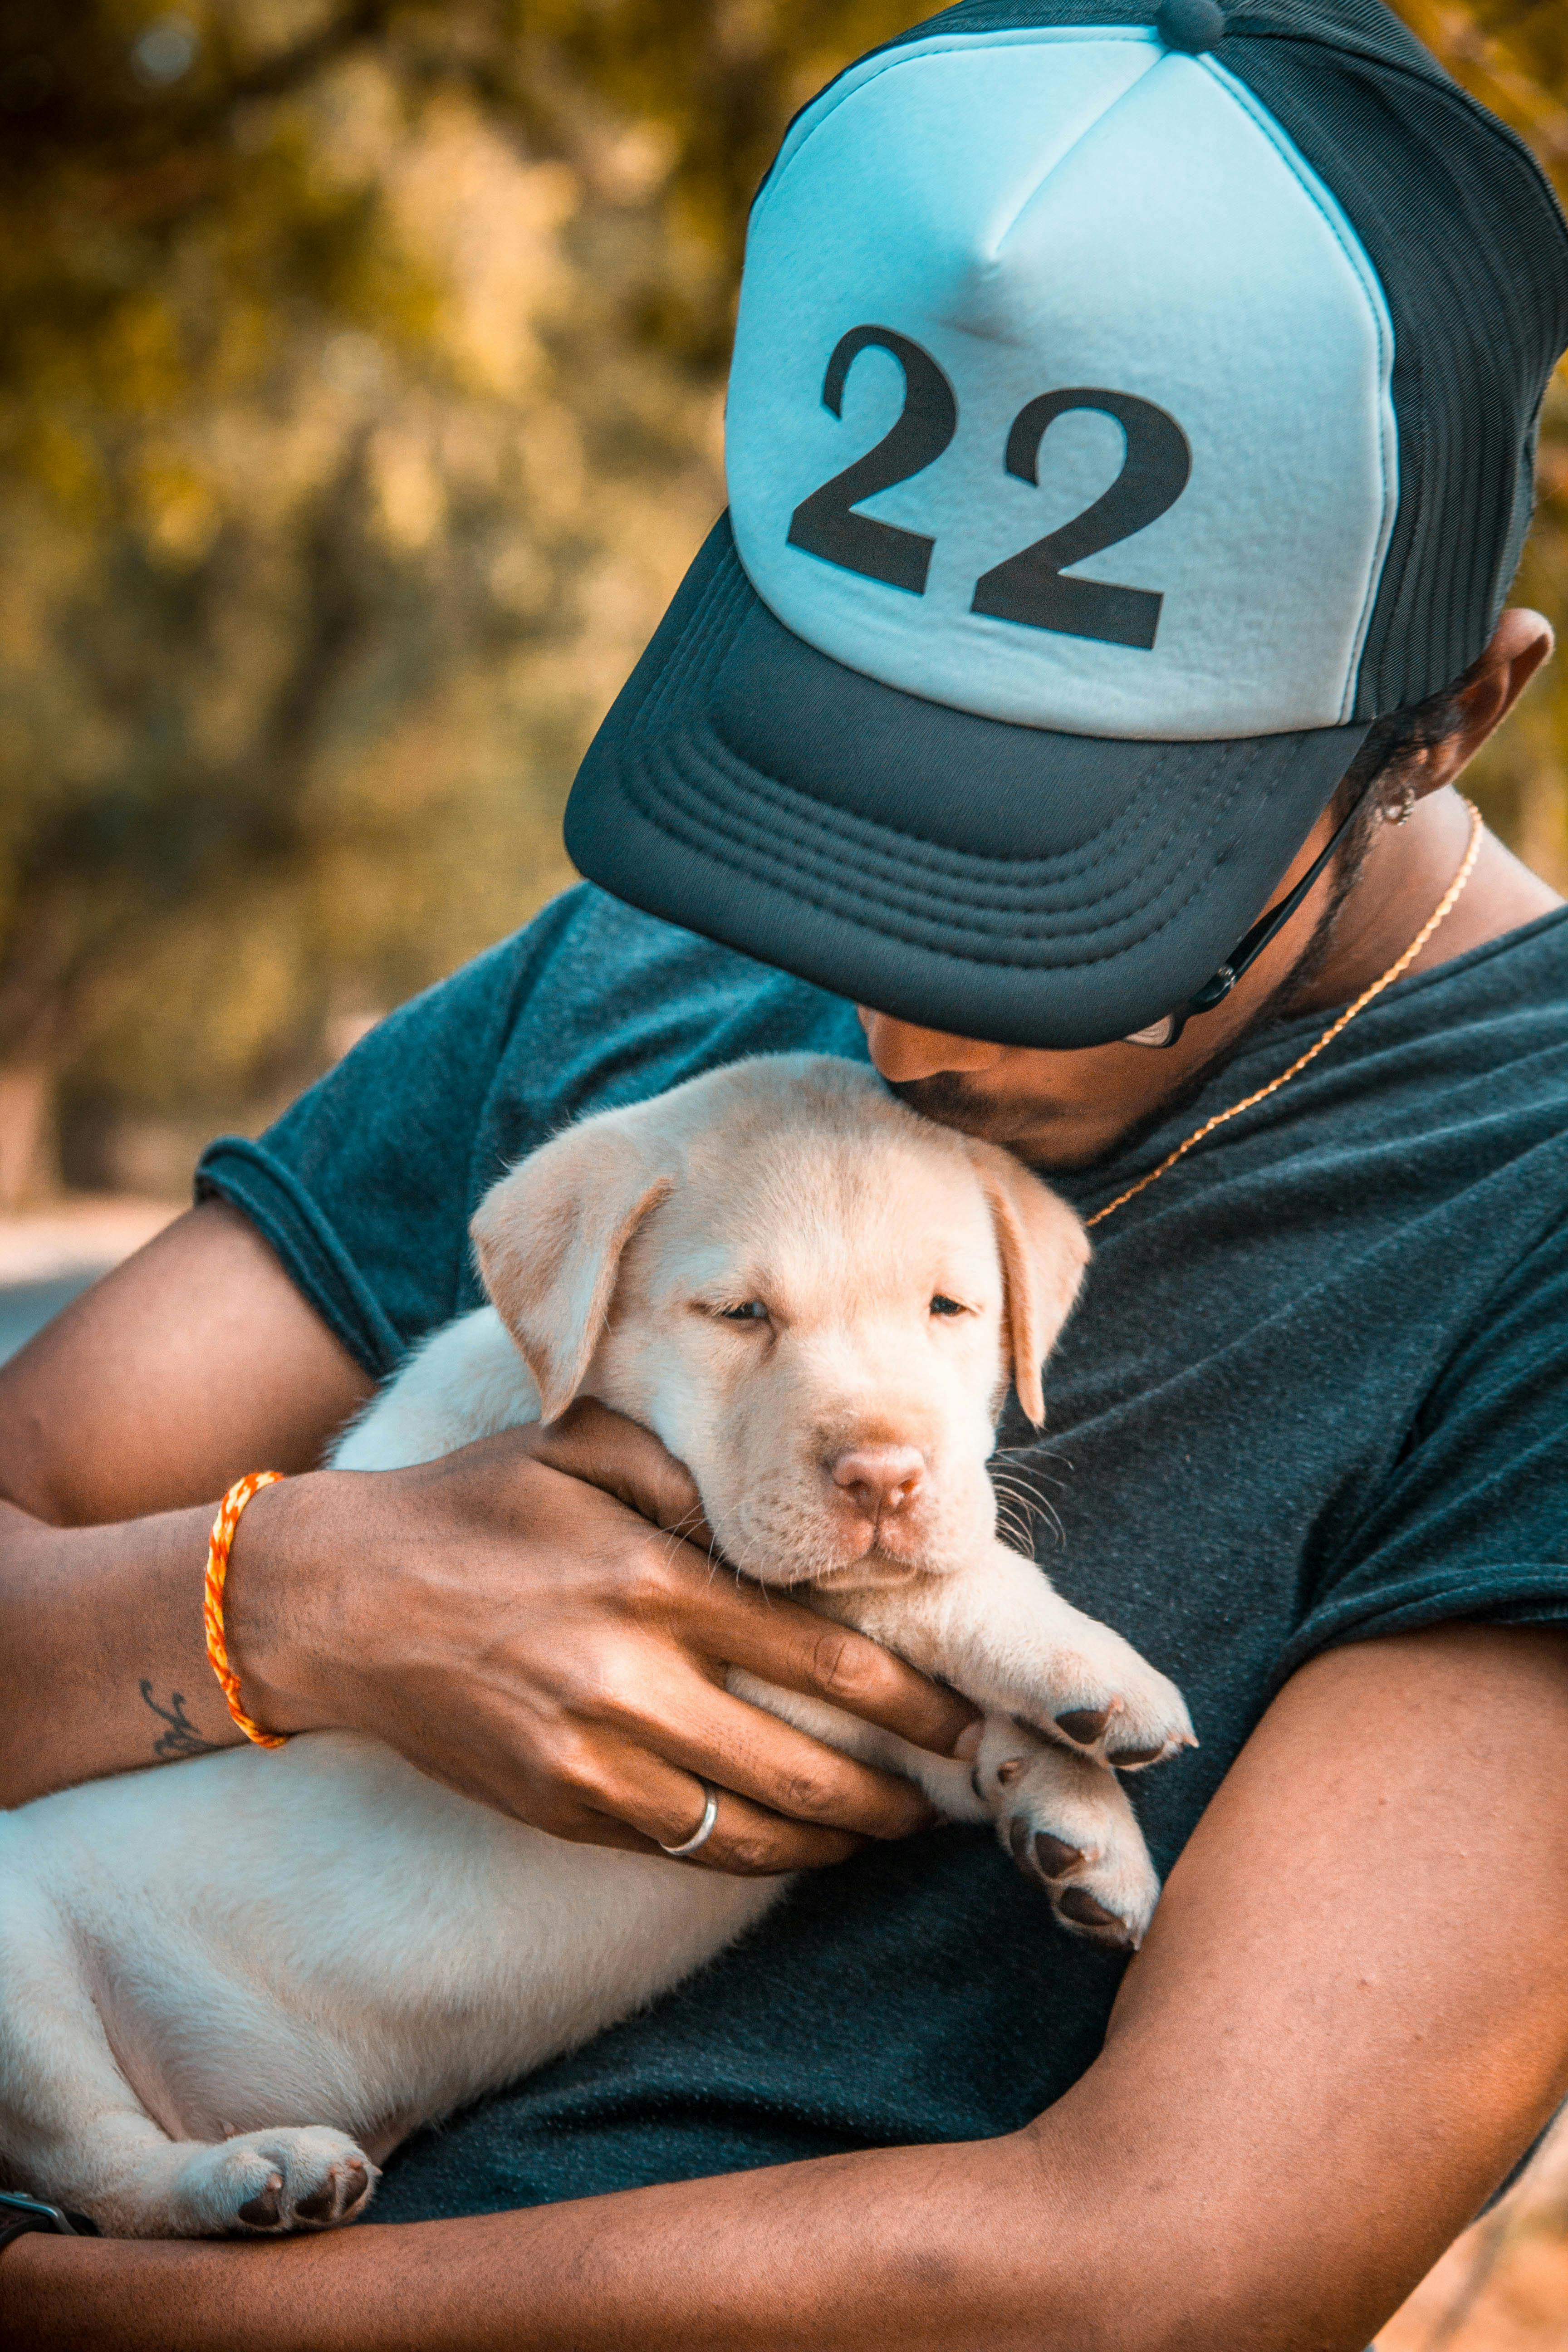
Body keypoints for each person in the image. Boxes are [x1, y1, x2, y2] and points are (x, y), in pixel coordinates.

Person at [5, 0, 1568, 2344]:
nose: (897, 1021)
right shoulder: (646, 974)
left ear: (1451, 718)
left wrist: (102, 2317)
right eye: (840, 812)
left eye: (1075, 898)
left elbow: (1180, 2265)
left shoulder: (1531, 1205)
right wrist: (296, 1598)